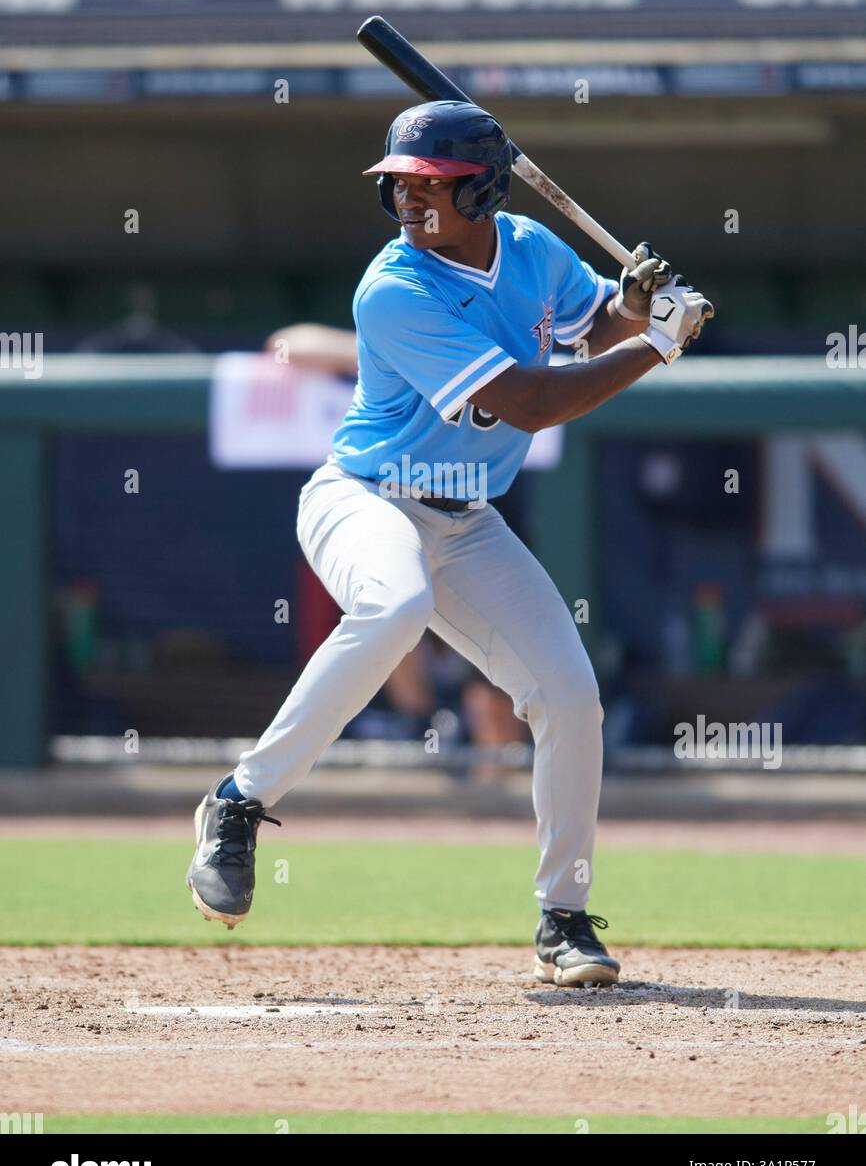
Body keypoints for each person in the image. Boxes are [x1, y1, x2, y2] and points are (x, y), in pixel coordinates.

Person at [187, 100, 712, 987]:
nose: (409, 202)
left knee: (570, 697)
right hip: (361, 499)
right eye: (399, 187)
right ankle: (239, 801)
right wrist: (661, 345)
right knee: (395, 603)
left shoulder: (537, 252)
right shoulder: (394, 289)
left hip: (468, 520)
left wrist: (635, 310)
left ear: (487, 188)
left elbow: (591, 333)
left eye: (431, 186)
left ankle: (563, 917)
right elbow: (536, 403)